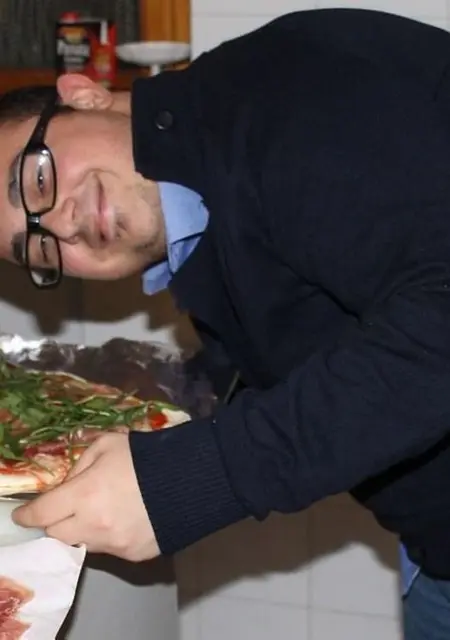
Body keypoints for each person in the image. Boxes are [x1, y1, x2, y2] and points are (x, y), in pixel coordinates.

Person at [1, 7, 450, 638]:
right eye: (37, 247)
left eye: (36, 179)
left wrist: (201, 477)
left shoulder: (295, 86)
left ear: (85, 94)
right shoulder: (200, 212)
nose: (61, 224)